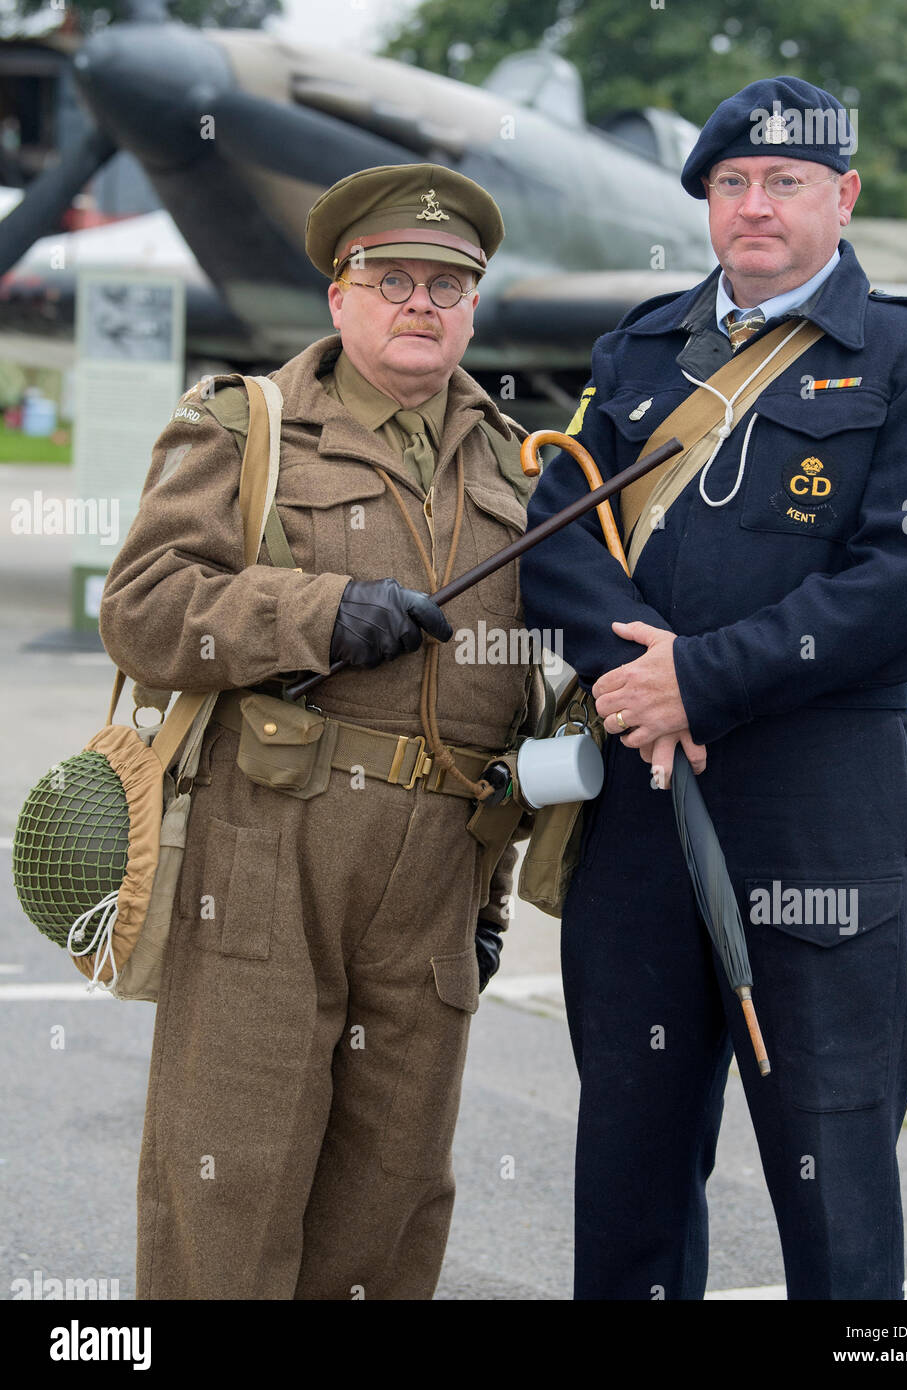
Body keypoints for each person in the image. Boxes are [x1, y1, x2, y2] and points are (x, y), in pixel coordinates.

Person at [520, 77, 907, 1300]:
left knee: (833, 1188)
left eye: (785, 182)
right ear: (707, 203)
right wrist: (641, 682)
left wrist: (701, 682)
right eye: (732, 183)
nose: (756, 206)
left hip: (818, 829)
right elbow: (553, 535)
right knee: (627, 1181)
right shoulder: (639, 348)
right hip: (639, 822)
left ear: (844, 197)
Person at [99, 163, 539, 1300]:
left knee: (390, 1200)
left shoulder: (512, 462)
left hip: (437, 864)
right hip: (267, 851)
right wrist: (315, 612)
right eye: (391, 278)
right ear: (338, 295)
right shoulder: (249, 427)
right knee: (229, 1186)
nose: (421, 303)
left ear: (475, 308)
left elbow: (516, 687)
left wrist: (489, 890)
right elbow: (144, 607)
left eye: (449, 284)